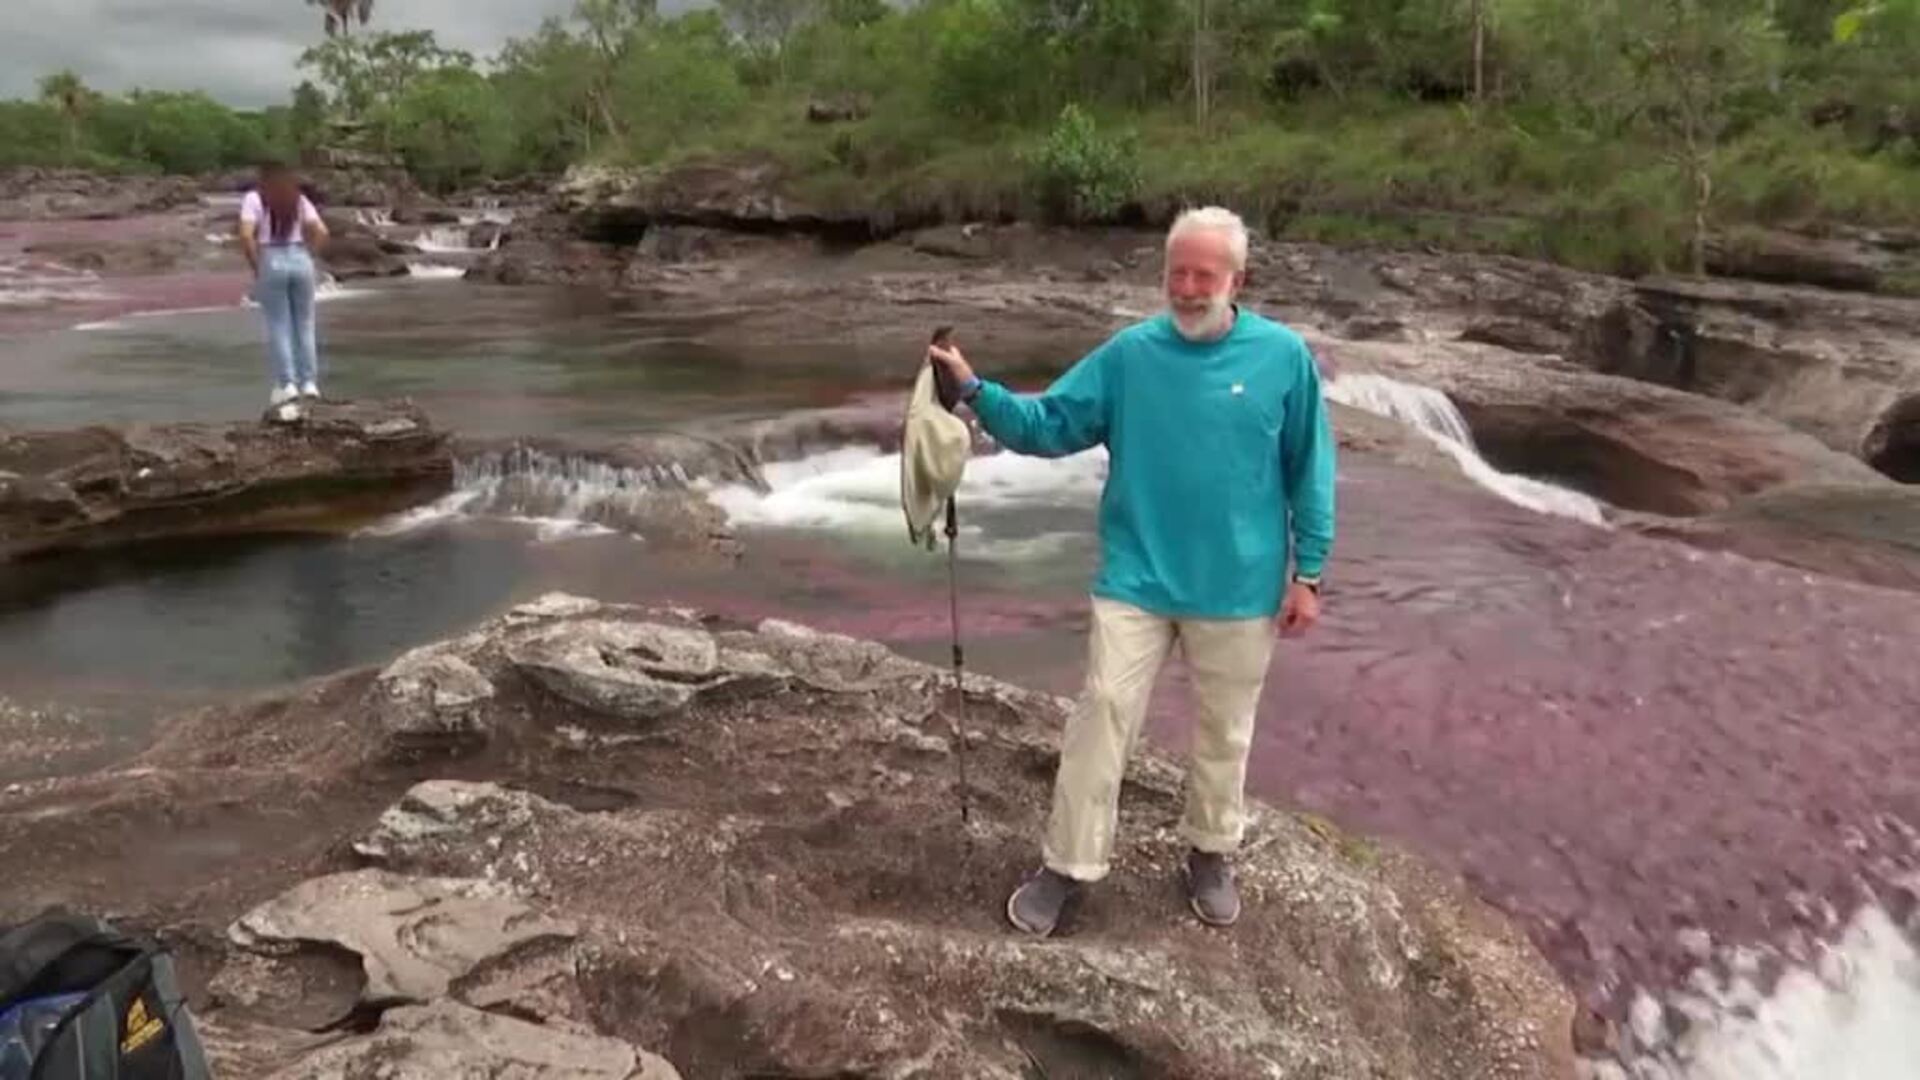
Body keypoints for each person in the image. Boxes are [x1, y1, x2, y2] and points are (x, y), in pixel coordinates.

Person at [926, 205, 1336, 936]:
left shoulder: (1283, 359)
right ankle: (1066, 866)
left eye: (1201, 274)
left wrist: (1310, 572)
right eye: (1175, 272)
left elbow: (1311, 468)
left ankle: (1210, 853)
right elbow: (1051, 424)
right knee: (1102, 711)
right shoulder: (1130, 355)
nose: (1185, 287)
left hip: (1239, 588)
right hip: (1136, 577)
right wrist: (974, 393)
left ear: (1235, 279)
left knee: (1224, 731)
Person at [238, 162, 329, 406]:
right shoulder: (297, 199)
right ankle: (309, 383)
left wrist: (257, 266)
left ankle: (287, 384)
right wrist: (309, 256)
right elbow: (322, 231)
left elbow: (246, 235)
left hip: (272, 257)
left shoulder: (254, 198)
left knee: (279, 325)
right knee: (305, 324)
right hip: (300, 258)